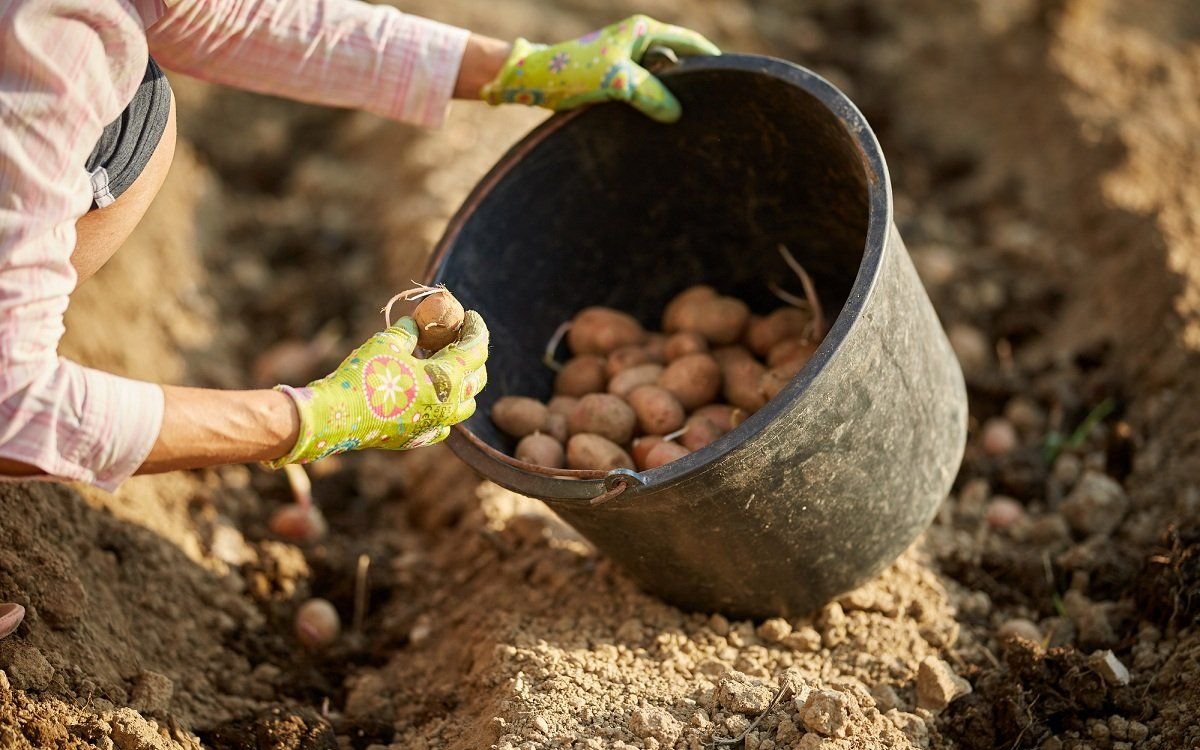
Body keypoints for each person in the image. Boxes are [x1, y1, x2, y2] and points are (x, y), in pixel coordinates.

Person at [0, 1, 719, 491]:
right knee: (133, 128)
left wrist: (513, 69)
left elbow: (215, 17)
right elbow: (11, 405)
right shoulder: (47, 40)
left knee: (137, 113)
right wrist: (315, 418)